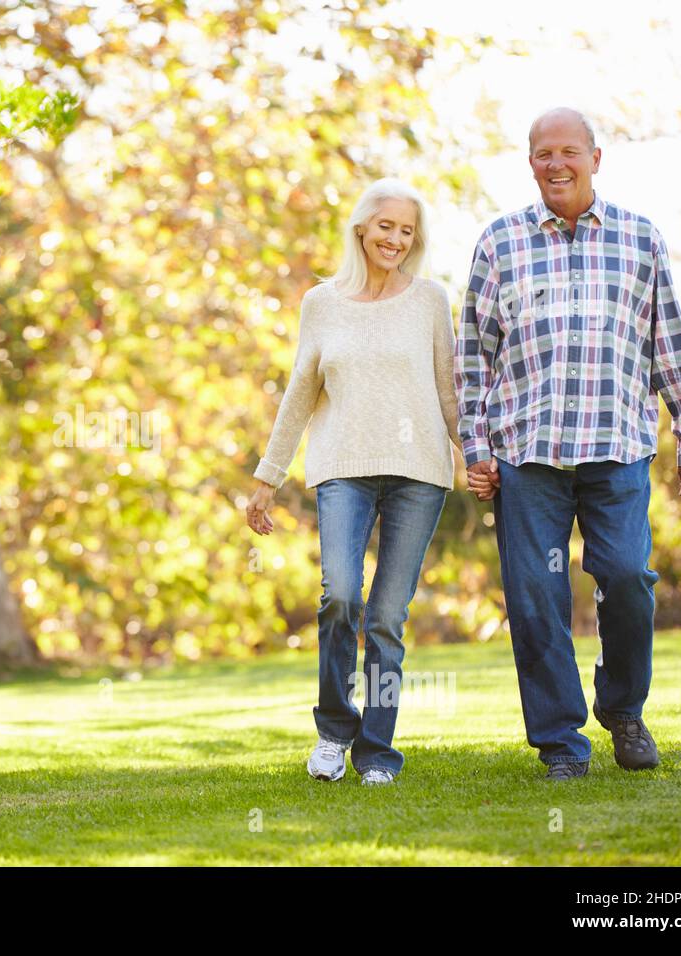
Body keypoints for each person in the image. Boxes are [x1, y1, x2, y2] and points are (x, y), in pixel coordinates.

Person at [456, 107, 681, 781]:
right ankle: (562, 744)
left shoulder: (639, 239)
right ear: (531, 163)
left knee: (627, 578)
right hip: (527, 454)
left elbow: (670, 344)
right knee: (536, 595)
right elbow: (472, 355)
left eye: (568, 151)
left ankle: (624, 711)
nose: (556, 164)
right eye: (543, 154)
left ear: (595, 159)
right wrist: (474, 442)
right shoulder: (500, 242)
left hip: (617, 444)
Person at [246, 177, 461, 786]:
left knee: (388, 616)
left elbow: (449, 390)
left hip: (419, 472)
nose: (395, 239)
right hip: (343, 468)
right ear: (362, 227)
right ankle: (334, 733)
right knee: (341, 595)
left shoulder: (429, 300)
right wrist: (268, 476)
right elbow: (298, 394)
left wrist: (475, 452)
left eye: (407, 231)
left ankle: (378, 752)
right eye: (386, 226)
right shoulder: (322, 303)